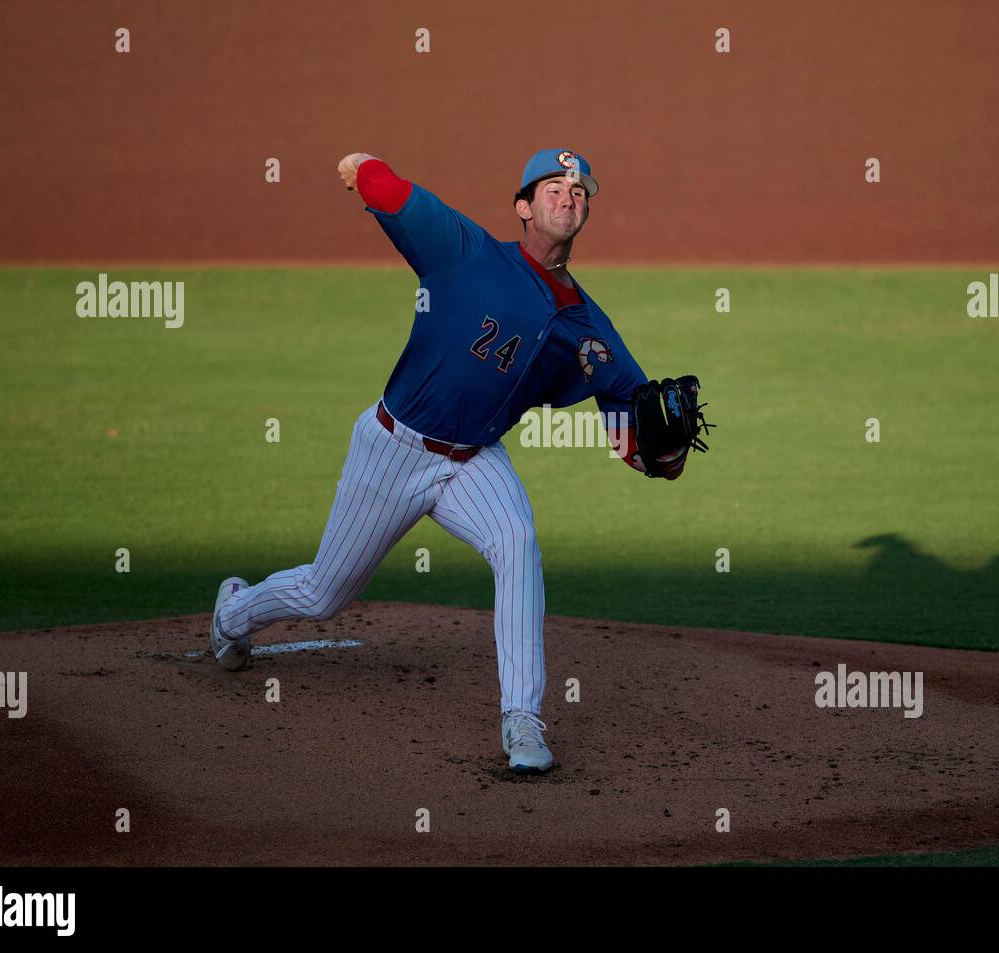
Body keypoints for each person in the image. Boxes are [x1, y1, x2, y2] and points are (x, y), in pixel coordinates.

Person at [209, 148, 688, 774]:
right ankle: (232, 613)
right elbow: (394, 195)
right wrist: (363, 167)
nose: (567, 196)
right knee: (325, 593)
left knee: (517, 540)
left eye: (579, 190)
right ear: (523, 207)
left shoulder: (591, 330)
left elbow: (635, 431)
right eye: (552, 186)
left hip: (474, 461)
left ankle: (522, 719)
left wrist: (666, 454)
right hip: (392, 447)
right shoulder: (466, 251)